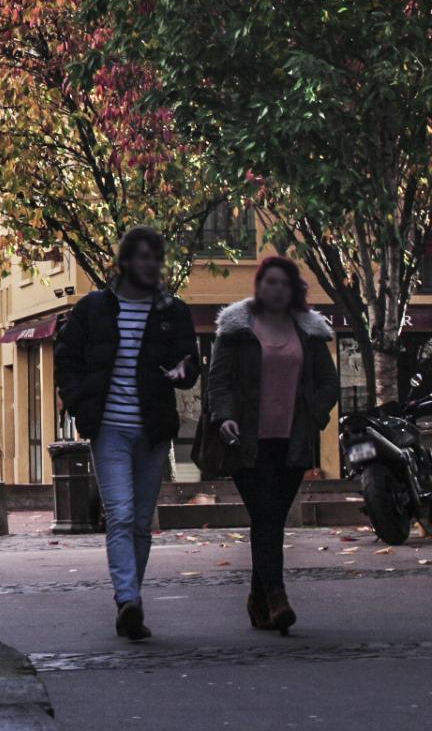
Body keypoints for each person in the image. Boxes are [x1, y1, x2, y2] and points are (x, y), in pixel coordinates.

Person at [54, 226, 198, 641]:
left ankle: (131, 596)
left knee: (139, 521)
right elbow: (68, 360)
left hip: (152, 431)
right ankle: (128, 600)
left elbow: (190, 363)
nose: (151, 264)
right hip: (110, 429)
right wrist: (81, 405)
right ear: (125, 262)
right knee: (120, 514)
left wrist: (182, 371)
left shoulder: (174, 312)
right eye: (143, 257)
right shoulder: (94, 308)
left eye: (156, 257)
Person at [205, 256, 338, 634]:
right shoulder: (236, 329)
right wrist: (225, 416)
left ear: (293, 288)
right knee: (265, 514)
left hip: (293, 442)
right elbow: (219, 382)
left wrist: (312, 414)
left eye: (282, 282)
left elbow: (328, 383)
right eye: (268, 281)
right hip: (248, 442)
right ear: (258, 286)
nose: (275, 289)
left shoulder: (309, 332)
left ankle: (257, 598)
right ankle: (277, 597)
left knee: (272, 519)